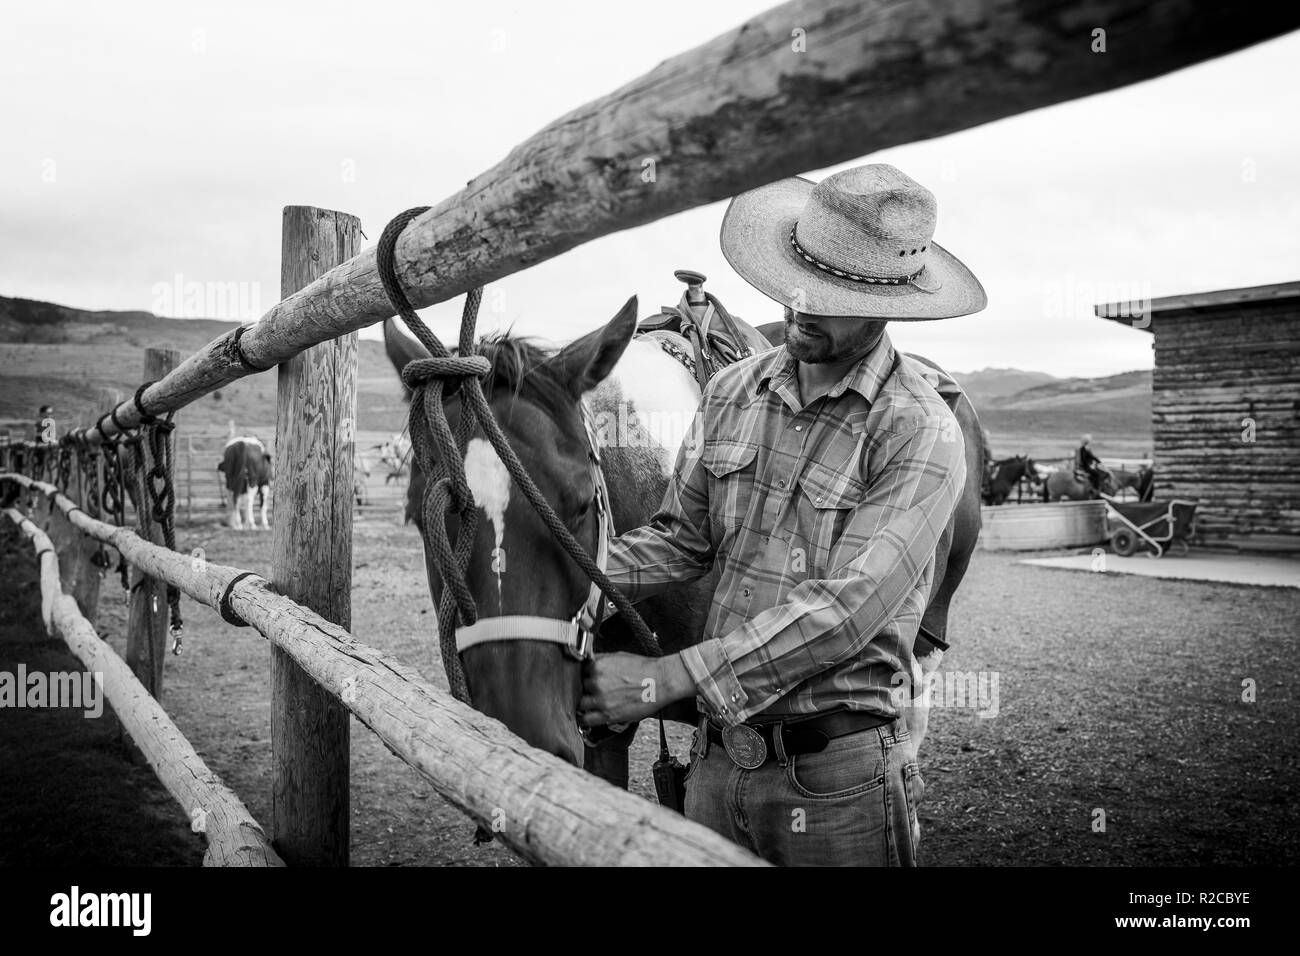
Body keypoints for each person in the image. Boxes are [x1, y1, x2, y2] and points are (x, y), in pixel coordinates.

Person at [579, 164, 985, 865]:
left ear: (891, 304)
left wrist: (663, 680)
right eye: (798, 281)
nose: (800, 307)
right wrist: (574, 572)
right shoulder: (734, 391)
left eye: (832, 297)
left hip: (835, 782)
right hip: (714, 767)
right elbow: (685, 539)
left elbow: (847, 611)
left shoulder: (920, 430)